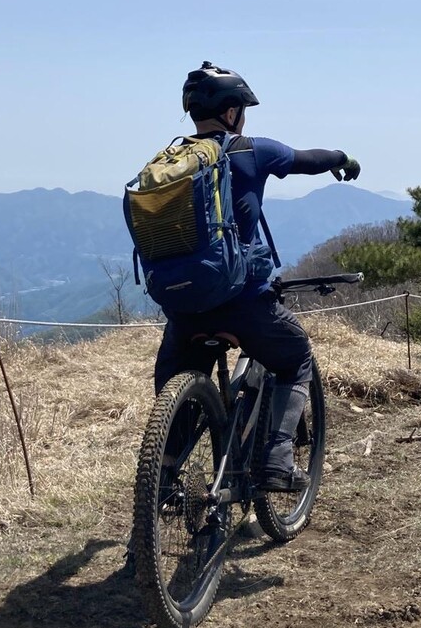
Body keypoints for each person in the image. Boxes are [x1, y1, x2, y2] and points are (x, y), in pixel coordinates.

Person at [153, 62, 361, 492]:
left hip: (183, 308)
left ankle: (163, 480)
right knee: (296, 356)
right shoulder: (250, 150)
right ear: (231, 112)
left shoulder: (169, 164)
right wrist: (342, 158)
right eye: (242, 108)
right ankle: (277, 461)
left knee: (176, 397)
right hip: (244, 303)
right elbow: (307, 159)